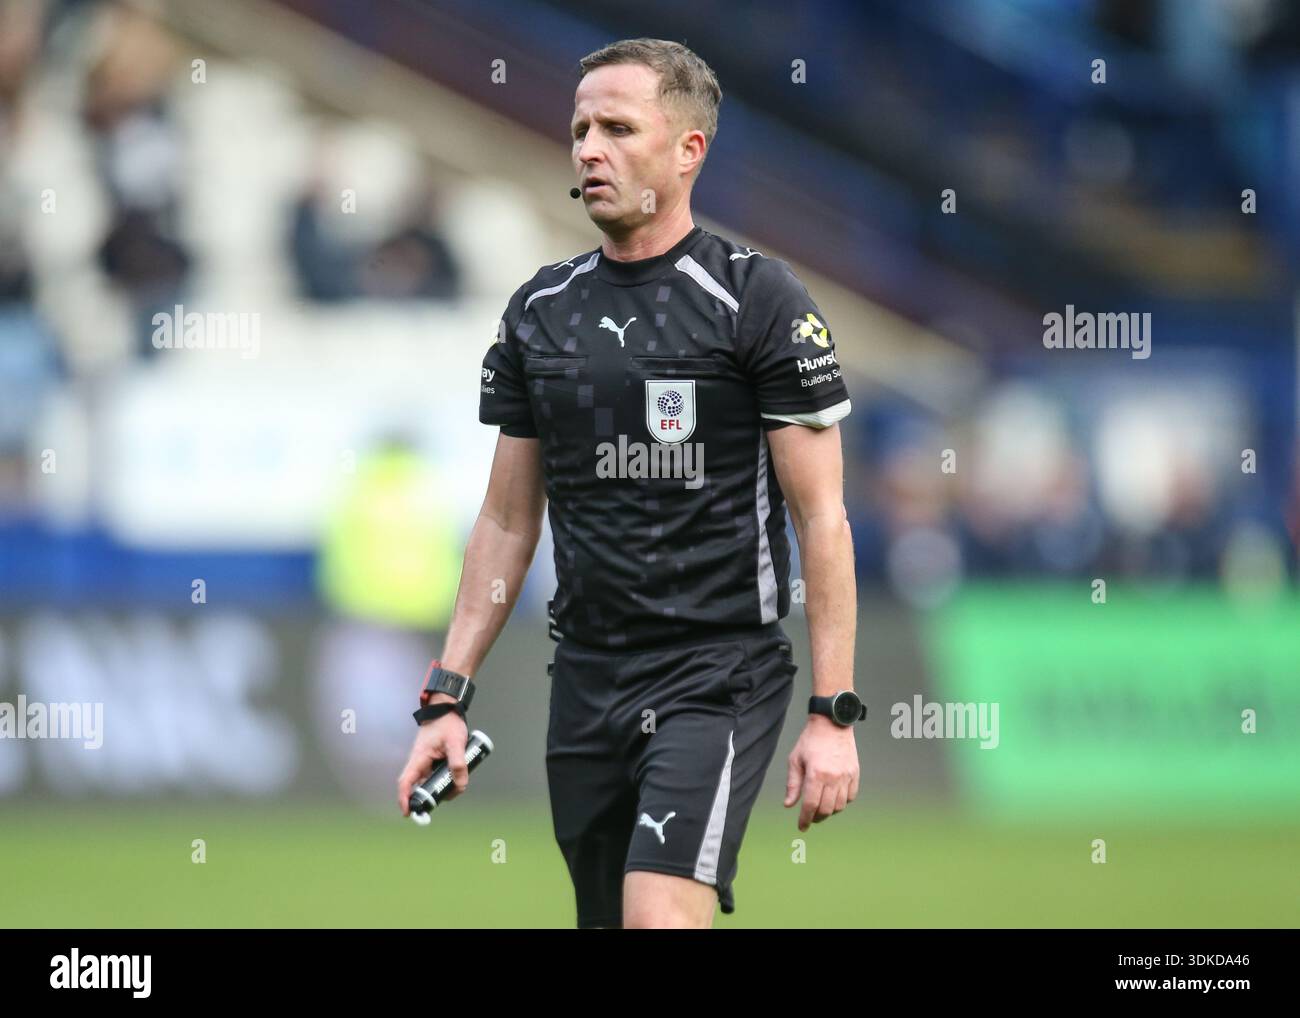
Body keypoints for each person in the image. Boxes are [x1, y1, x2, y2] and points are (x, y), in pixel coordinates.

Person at [397, 37, 863, 929]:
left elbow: (823, 518)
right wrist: (445, 697)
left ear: (688, 150)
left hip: (715, 672)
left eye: (617, 127)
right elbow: (504, 522)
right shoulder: (540, 312)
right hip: (586, 678)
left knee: (660, 920)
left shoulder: (759, 299)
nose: (588, 150)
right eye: (579, 130)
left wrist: (833, 712)